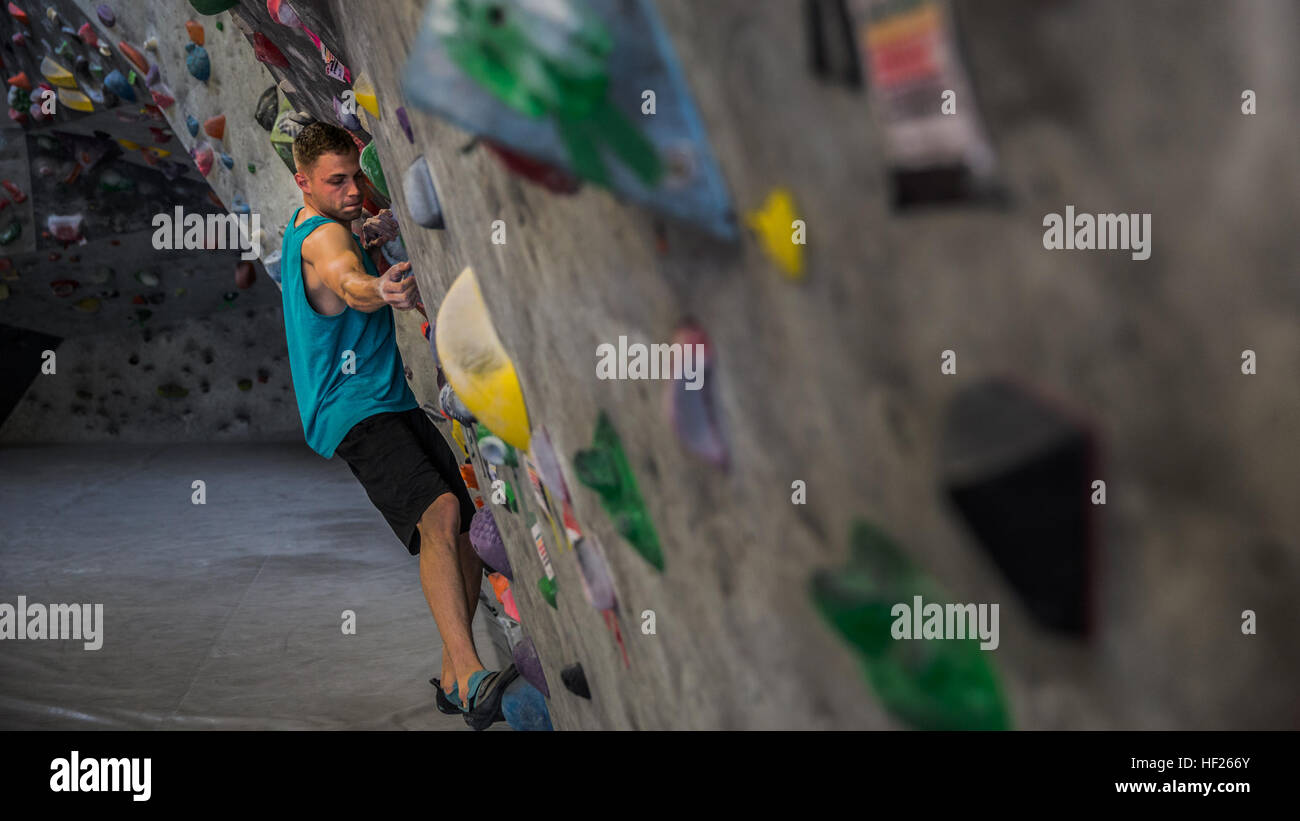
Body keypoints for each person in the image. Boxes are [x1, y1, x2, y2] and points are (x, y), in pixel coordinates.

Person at [280, 121, 511, 729]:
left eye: (356, 175)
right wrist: (376, 285)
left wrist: (374, 228)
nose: (354, 189)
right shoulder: (321, 237)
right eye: (338, 181)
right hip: (353, 410)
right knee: (438, 514)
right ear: (303, 183)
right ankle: (470, 676)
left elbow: (356, 233)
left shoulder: (336, 219)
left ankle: (454, 675)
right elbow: (345, 281)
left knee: (465, 527)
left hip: (387, 399)